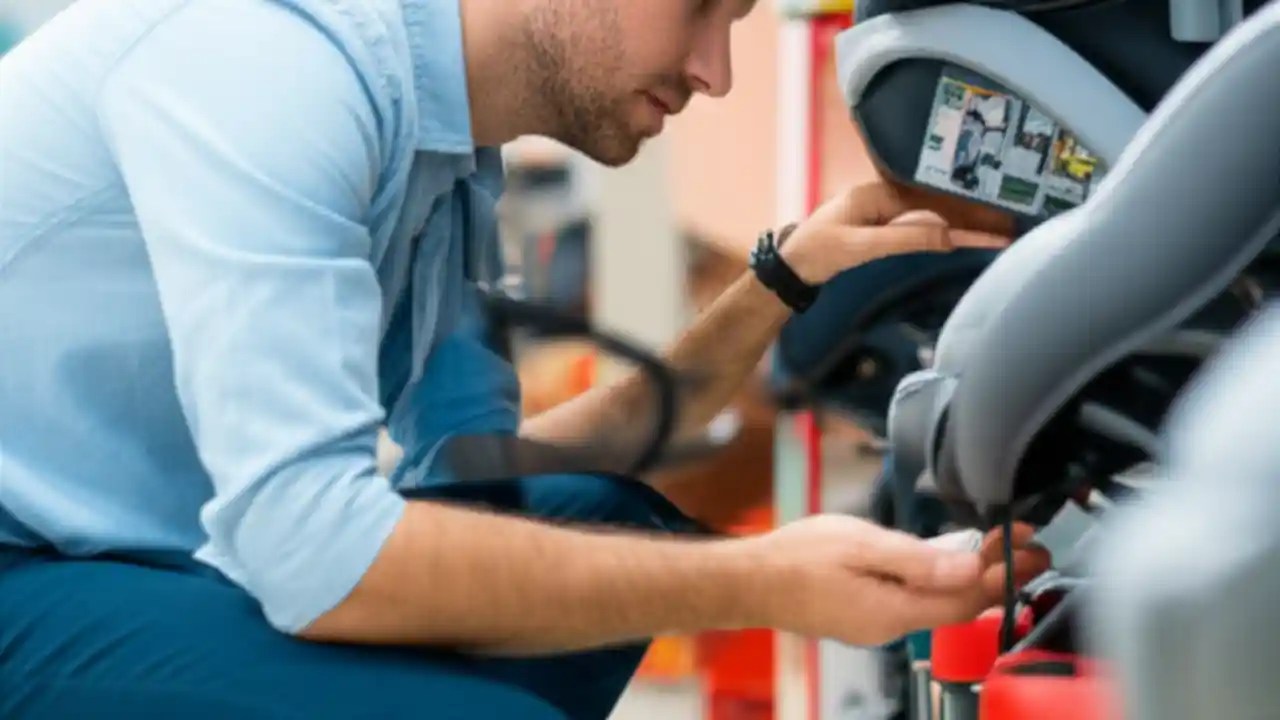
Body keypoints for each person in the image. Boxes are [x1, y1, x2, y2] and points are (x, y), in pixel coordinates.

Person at [0, 0, 1047, 717]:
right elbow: (310, 549)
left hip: (104, 560)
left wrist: (785, 274)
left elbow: (479, 479)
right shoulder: (265, 67)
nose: (713, 73)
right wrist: (759, 582)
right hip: (22, 571)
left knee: (601, 514)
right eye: (700, 8)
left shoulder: (443, 156)